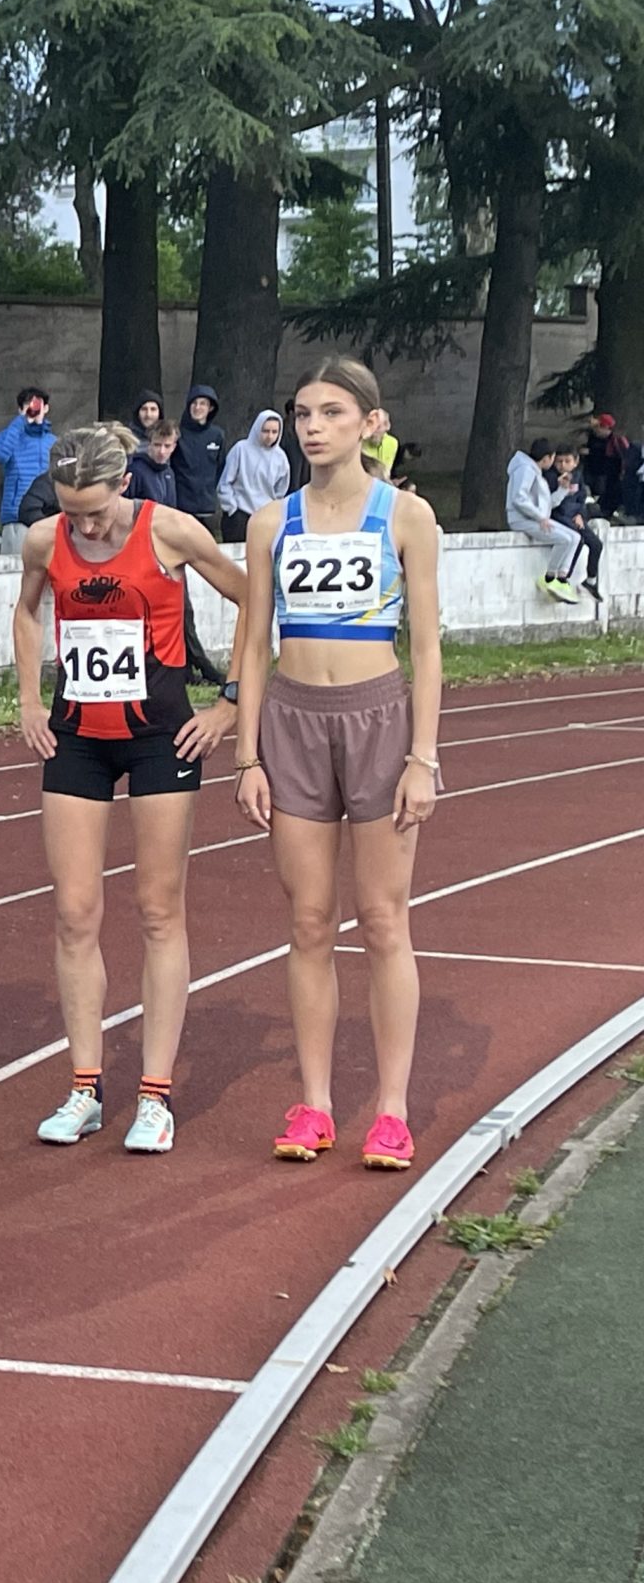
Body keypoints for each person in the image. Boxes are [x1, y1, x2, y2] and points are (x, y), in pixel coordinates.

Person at [15, 421, 248, 1155]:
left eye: (95, 510)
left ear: (124, 484)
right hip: (78, 736)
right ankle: (85, 1087)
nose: (83, 524)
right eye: (70, 510)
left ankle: (154, 1096)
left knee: (157, 909)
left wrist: (229, 704)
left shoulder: (170, 531)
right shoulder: (44, 541)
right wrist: (27, 697)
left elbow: (253, 598)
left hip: (160, 736)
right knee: (75, 912)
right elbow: (25, 612)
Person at [234, 358, 444, 1173]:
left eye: (331, 412)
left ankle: (390, 1110)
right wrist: (248, 754)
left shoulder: (407, 516)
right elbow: (253, 647)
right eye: (302, 413)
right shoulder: (268, 523)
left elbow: (427, 647)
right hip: (292, 722)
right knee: (309, 923)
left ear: (370, 424)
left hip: (381, 720)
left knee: (384, 919)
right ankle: (316, 1103)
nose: (313, 426)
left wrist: (423, 757)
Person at [505, 438, 584, 604]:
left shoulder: (536, 473)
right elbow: (519, 498)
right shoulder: (525, 470)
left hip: (535, 518)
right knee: (564, 539)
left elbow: (547, 504)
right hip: (522, 519)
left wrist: (563, 489)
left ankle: (562, 579)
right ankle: (549, 578)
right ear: (547, 458)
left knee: (575, 538)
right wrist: (539, 517)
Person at [0, 386, 56, 555]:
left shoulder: (53, 442)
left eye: (38, 404)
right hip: (16, 516)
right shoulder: (11, 436)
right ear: (20, 409)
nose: (34, 408)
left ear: (46, 408)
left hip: (46, 515)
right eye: (28, 404)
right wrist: (21, 422)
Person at [217, 408, 292, 542]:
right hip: (239, 515)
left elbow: (281, 490)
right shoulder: (241, 449)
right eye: (265, 431)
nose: (269, 436)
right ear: (257, 428)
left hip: (264, 518)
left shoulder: (281, 458)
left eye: (274, 432)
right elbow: (225, 482)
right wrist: (232, 508)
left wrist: (272, 511)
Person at [551, 448, 605, 600]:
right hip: (559, 516)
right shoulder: (551, 477)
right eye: (559, 461)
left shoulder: (578, 477)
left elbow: (582, 499)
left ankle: (590, 581)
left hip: (576, 517)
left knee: (596, 544)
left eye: (567, 461)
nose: (562, 465)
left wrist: (581, 515)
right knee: (577, 541)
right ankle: (562, 578)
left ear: (575, 462)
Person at [173, 386, 227, 528]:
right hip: (181, 504)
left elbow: (220, 466)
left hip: (206, 504)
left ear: (210, 408)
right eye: (194, 403)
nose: (197, 407)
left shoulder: (217, 435)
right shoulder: (178, 433)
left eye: (203, 404)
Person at [127, 421, 180, 507]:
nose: (162, 451)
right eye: (157, 445)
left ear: (174, 447)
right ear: (149, 444)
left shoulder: (169, 473)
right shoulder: (135, 471)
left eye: (167, 446)